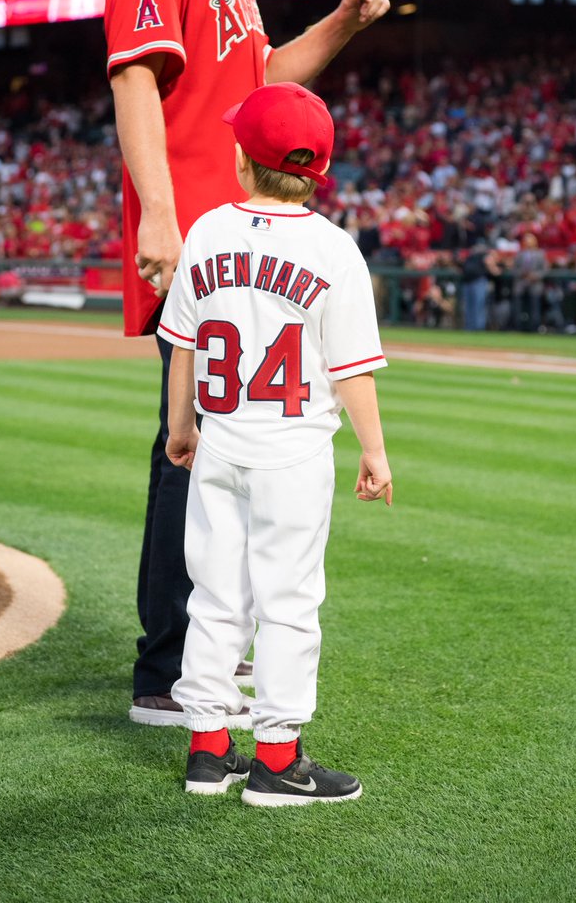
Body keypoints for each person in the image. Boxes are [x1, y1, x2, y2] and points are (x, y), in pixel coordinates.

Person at [104, 0, 391, 725]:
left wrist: (343, 24)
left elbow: (261, 80)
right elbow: (137, 81)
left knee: (207, 444)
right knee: (190, 446)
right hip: (193, 232)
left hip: (225, 226)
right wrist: (156, 213)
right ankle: (168, 672)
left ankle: (187, 663)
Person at [159, 82, 392, 804]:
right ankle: (277, 762)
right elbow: (350, 370)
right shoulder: (333, 249)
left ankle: (207, 749)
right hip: (291, 451)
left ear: (242, 160)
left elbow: (185, 346)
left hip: (220, 444)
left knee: (215, 593)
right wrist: (375, 451)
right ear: (314, 169)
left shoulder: (205, 231)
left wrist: (180, 428)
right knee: (287, 603)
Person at [511, 232, 547, 332]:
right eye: (526, 240)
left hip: (535, 284)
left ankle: (534, 328)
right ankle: (517, 327)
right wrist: (522, 274)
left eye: (530, 240)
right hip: (521, 284)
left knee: (535, 308)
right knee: (517, 307)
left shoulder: (540, 254)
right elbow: (514, 269)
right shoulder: (520, 254)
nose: (527, 242)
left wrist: (534, 276)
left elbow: (544, 270)